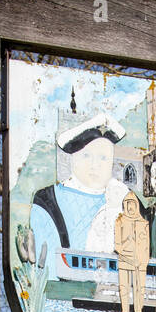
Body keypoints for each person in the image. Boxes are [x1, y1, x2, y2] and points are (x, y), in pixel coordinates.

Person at [29, 113, 127, 277]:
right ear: (73, 158)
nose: (95, 165)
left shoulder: (126, 201)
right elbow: (46, 270)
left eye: (103, 158)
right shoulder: (47, 200)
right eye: (87, 155)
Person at [114, 191, 151, 312]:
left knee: (139, 289)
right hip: (125, 260)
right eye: (128, 204)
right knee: (124, 289)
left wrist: (143, 261)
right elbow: (117, 246)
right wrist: (128, 258)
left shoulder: (144, 223)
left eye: (133, 204)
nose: (130, 207)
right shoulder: (120, 221)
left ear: (137, 206)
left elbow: (146, 244)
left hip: (140, 263)